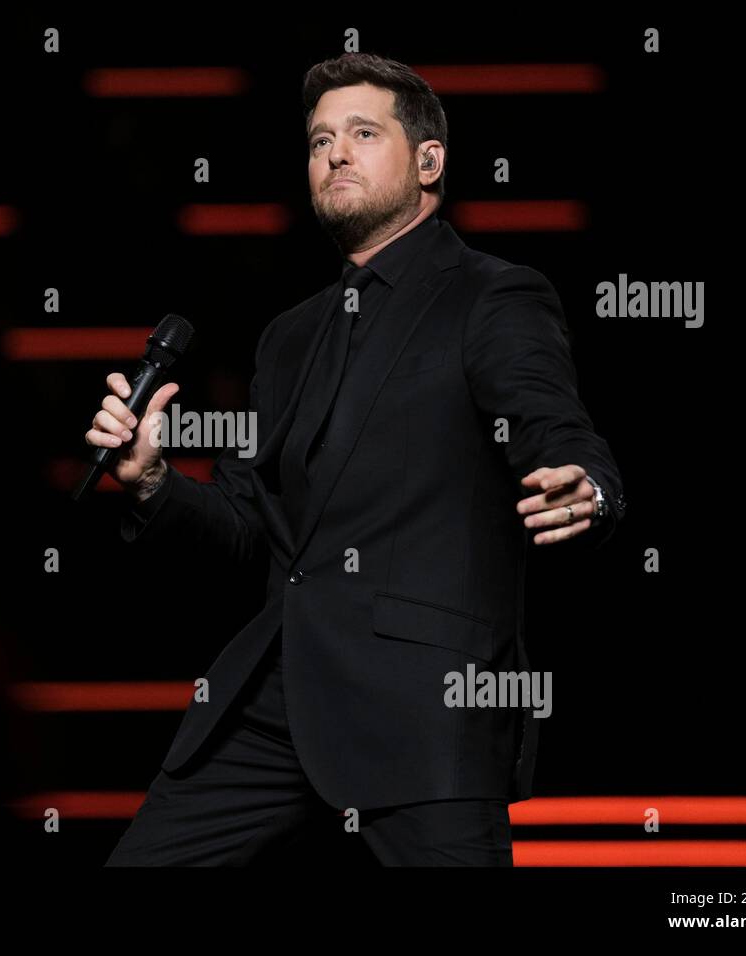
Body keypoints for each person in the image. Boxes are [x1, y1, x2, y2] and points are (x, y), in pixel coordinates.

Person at [85, 52, 626, 865]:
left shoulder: (493, 295)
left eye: (363, 133)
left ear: (429, 161)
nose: (334, 152)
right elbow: (247, 526)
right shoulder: (289, 336)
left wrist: (587, 484)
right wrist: (155, 482)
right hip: (277, 699)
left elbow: (553, 423)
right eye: (319, 140)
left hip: (425, 708)